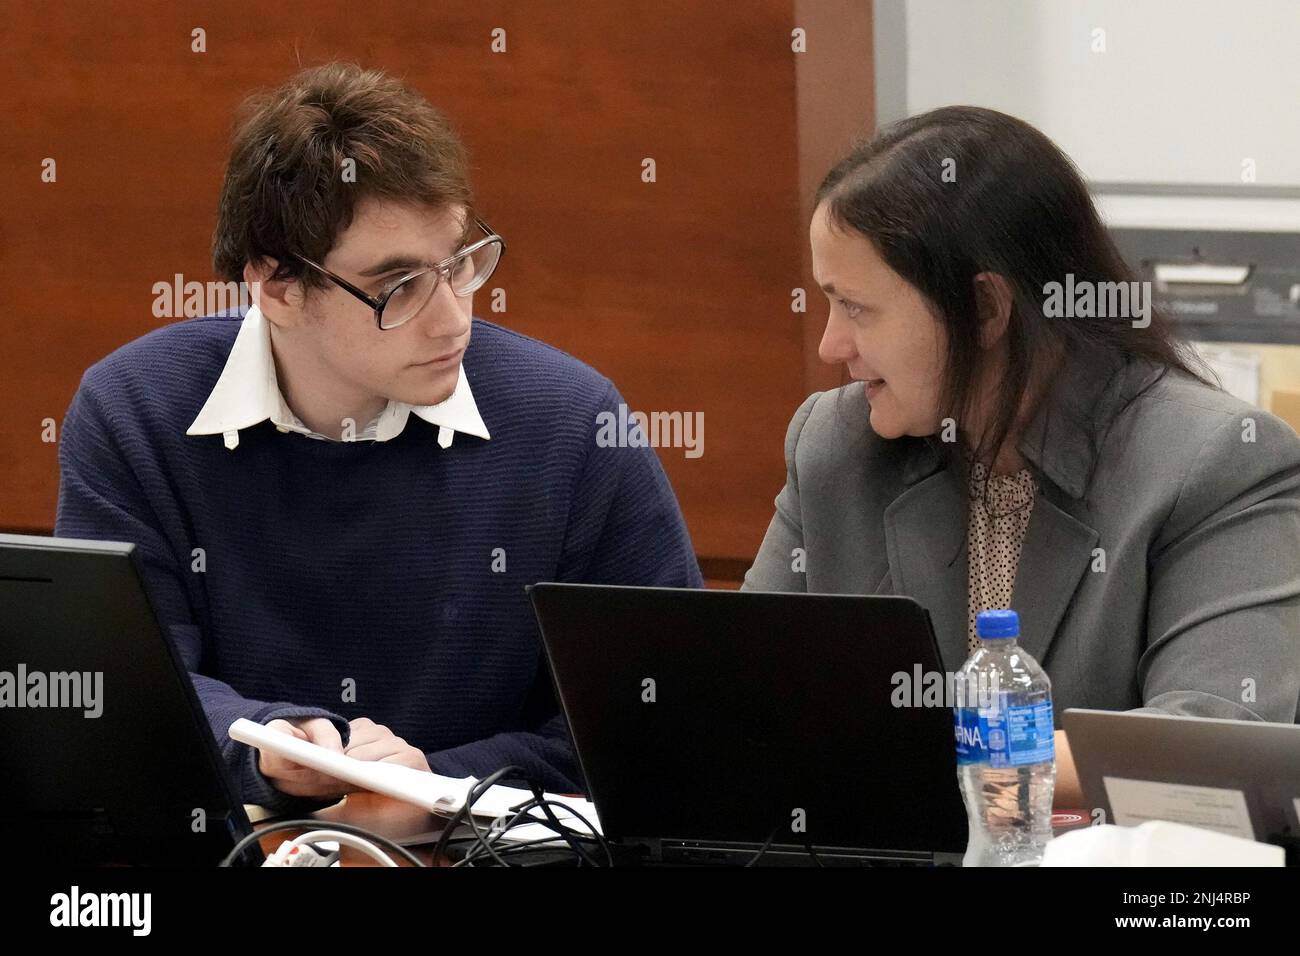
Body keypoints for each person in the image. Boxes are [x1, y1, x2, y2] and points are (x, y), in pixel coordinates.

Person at [54, 63, 701, 812]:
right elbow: (116, 692)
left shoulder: (573, 421)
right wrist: (268, 740)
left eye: (459, 264)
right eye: (398, 287)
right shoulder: (134, 409)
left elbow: (662, 711)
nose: (453, 318)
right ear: (276, 287)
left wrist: (438, 785)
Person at [743, 105, 1300, 809]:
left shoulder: (1213, 463)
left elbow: (1212, 746)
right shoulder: (836, 446)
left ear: (984, 309)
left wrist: (936, 769)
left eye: (857, 308)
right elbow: (742, 694)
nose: (830, 346)